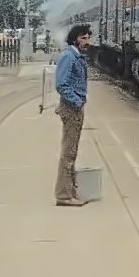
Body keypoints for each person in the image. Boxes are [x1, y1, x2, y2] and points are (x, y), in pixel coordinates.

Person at [54, 24, 91, 207]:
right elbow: (61, 85)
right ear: (76, 38)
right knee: (68, 153)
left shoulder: (76, 56)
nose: (87, 41)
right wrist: (77, 102)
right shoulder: (69, 57)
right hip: (71, 109)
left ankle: (70, 192)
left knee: (72, 152)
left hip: (75, 108)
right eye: (84, 38)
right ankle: (63, 195)